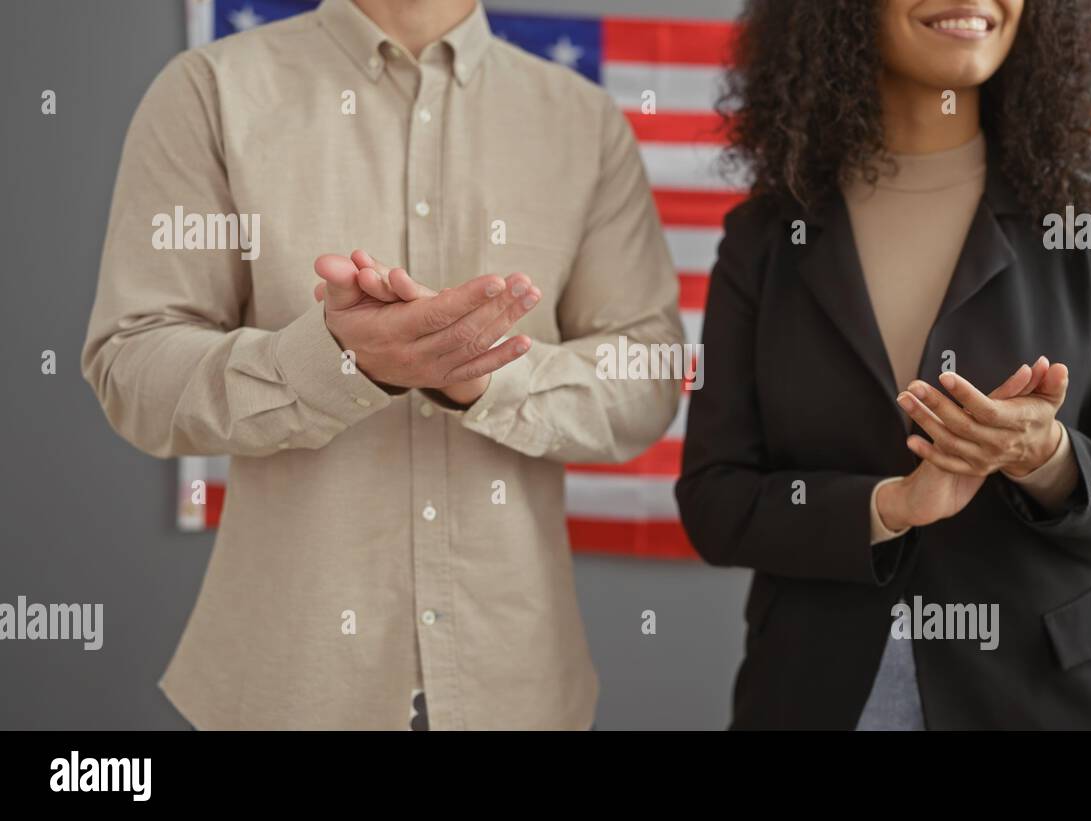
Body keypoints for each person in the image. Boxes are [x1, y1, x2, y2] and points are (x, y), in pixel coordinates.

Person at [82, 0, 682, 730]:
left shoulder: (583, 121)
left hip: (521, 688)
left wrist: (487, 377)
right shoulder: (210, 89)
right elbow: (131, 364)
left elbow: (648, 377)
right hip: (286, 689)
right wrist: (333, 362)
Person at [675, 0, 1091, 729]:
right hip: (815, 690)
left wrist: (1046, 459)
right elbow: (715, 503)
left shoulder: (1089, 224)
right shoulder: (764, 239)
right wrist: (888, 507)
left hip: (1043, 700)